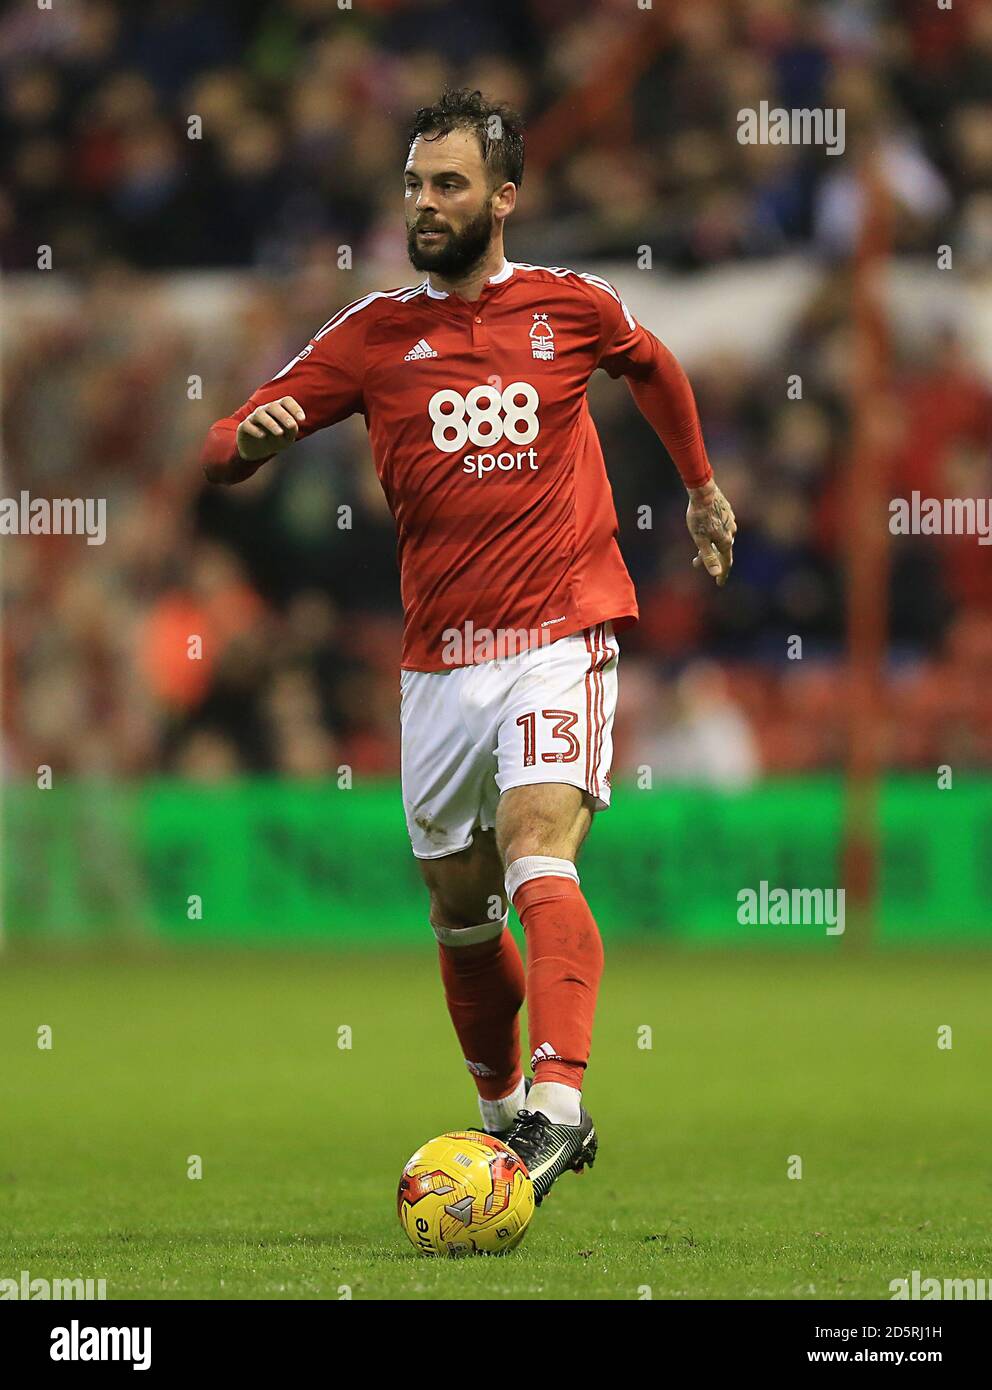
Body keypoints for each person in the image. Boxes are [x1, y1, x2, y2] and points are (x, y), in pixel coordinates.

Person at [201, 88, 736, 1203]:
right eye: (413, 185)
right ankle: (498, 1116)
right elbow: (223, 442)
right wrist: (243, 444)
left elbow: (653, 366)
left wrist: (697, 487)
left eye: (447, 184)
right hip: (440, 658)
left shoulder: (568, 306)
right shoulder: (370, 336)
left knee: (540, 842)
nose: (426, 203)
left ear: (503, 196)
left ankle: (557, 1102)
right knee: (457, 904)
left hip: (559, 625)